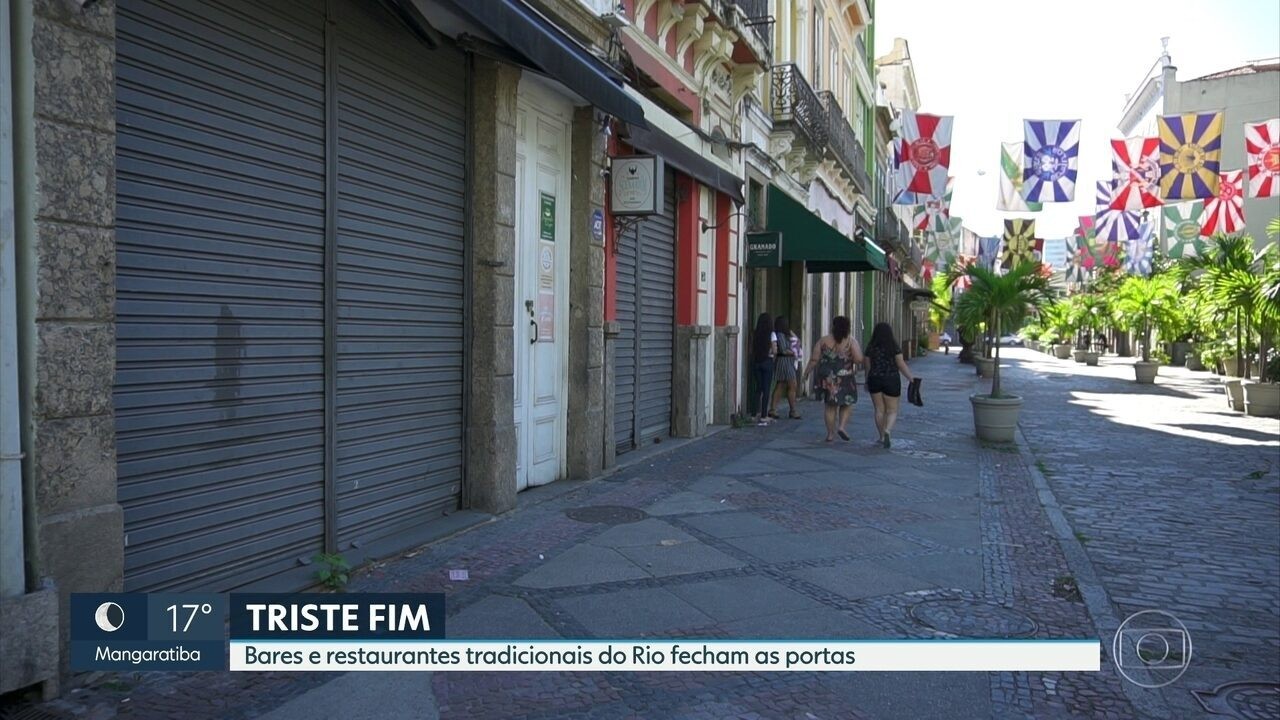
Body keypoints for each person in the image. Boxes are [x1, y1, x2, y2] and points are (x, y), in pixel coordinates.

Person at [802, 316, 864, 442]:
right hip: (845, 377)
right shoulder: (851, 341)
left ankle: (830, 434)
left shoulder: (823, 341)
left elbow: (814, 359)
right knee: (846, 403)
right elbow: (858, 359)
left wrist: (806, 373)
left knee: (830, 406)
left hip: (828, 378)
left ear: (833, 326)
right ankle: (841, 426)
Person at [864, 322, 918, 449]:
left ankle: (881, 437)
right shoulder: (893, 346)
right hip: (891, 379)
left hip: (875, 379)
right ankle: (888, 430)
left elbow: (867, 366)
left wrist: (867, 380)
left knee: (879, 410)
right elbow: (901, 364)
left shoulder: (871, 347)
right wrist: (911, 378)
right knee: (892, 410)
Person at [768, 316, 802, 420]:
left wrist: (791, 332)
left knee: (781, 384)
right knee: (792, 385)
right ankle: (792, 410)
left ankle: (773, 409)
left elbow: (797, 341)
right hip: (785, 362)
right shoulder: (780, 335)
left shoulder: (785, 335)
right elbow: (783, 350)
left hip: (787, 362)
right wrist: (794, 353)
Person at [750, 313, 777, 426]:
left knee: (758, 388)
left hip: (756, 362)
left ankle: (754, 414)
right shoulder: (772, 334)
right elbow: (775, 350)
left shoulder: (755, 333)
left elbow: (751, 349)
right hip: (767, 361)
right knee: (766, 389)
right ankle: (764, 415)